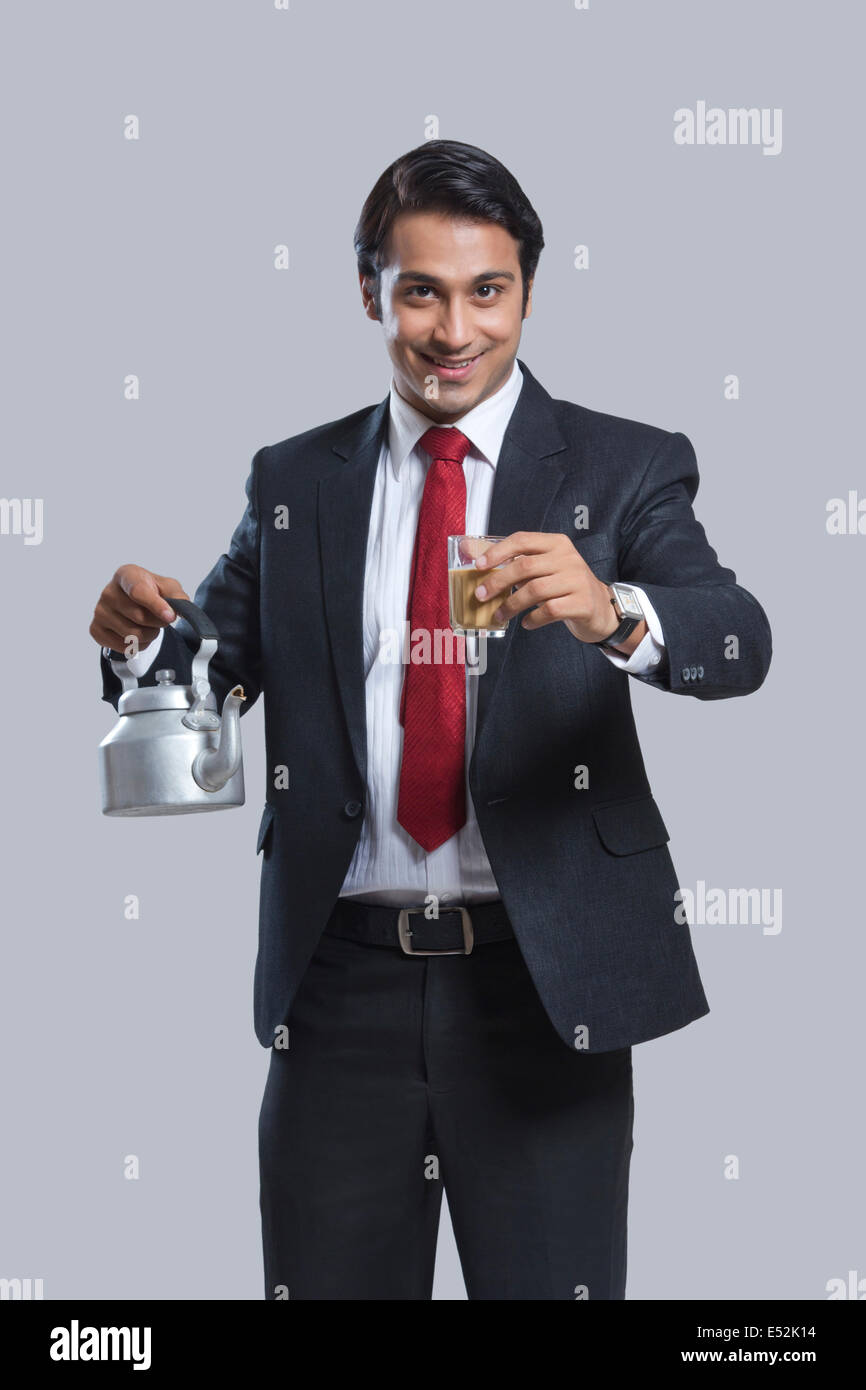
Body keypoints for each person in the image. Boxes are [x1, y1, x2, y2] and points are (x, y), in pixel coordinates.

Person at [91, 139, 772, 1300]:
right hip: (337, 988)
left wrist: (615, 613)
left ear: (525, 292)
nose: (455, 329)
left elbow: (736, 639)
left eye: (486, 291)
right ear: (369, 293)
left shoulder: (622, 466)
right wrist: (140, 638)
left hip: (542, 986)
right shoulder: (294, 481)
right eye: (420, 291)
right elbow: (215, 671)